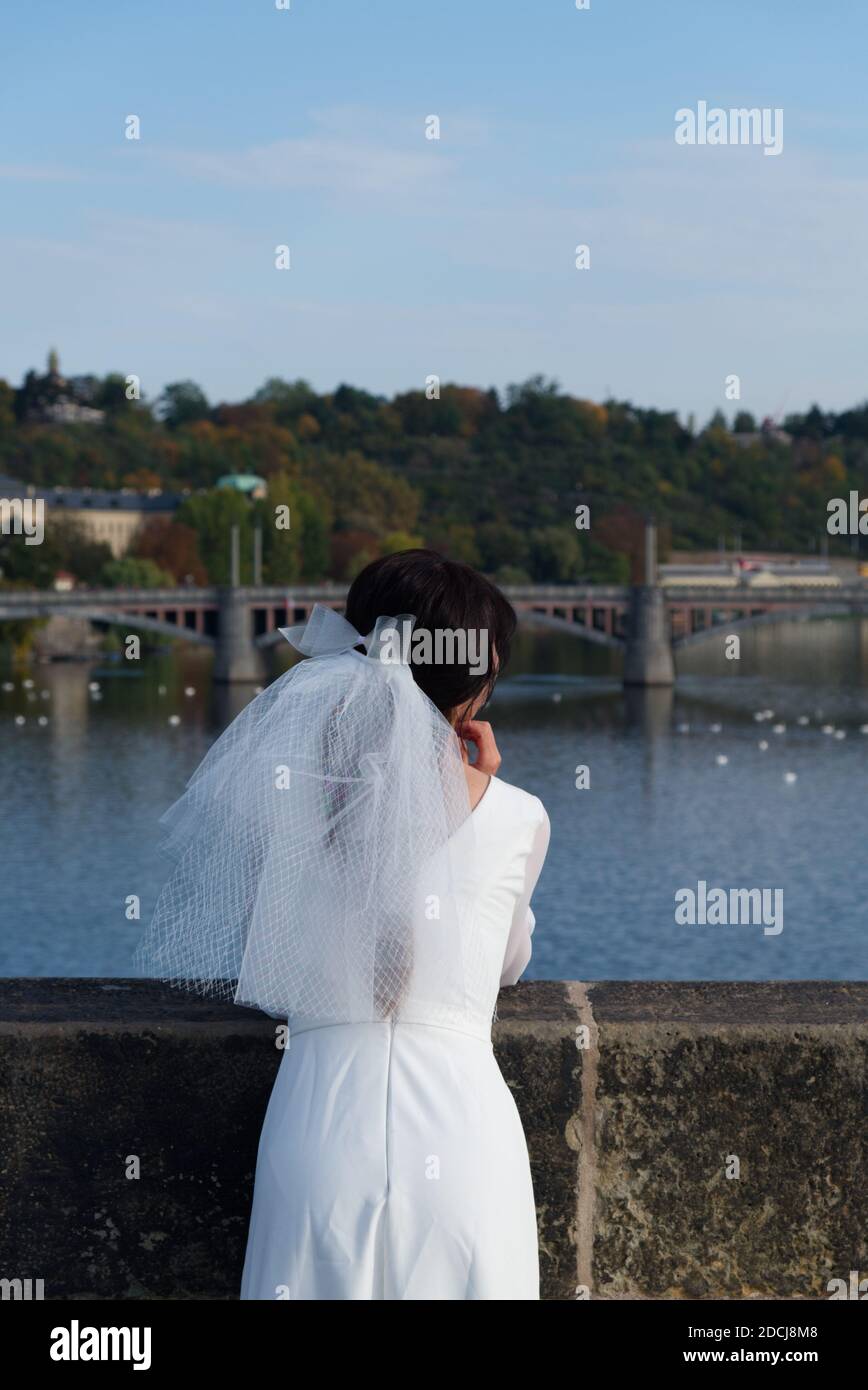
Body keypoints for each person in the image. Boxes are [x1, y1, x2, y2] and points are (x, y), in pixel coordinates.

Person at [136, 549, 550, 1300]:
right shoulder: (519, 817)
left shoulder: (285, 806)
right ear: (474, 690)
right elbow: (503, 963)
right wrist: (485, 787)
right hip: (463, 1140)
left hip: (321, 1123)